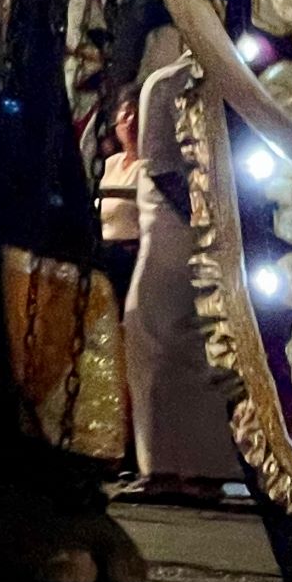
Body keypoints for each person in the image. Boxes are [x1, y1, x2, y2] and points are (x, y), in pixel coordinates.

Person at [122, 56, 240, 499]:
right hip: (178, 222)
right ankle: (175, 466)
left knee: (192, 340)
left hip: (204, 221)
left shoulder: (226, 79)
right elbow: (163, 165)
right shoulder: (168, 83)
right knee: (162, 336)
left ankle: (185, 470)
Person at [95, 84, 141, 309]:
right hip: (103, 252)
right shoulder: (111, 163)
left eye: (137, 114)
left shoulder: (147, 168)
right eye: (127, 112)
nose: (130, 120)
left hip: (127, 261)